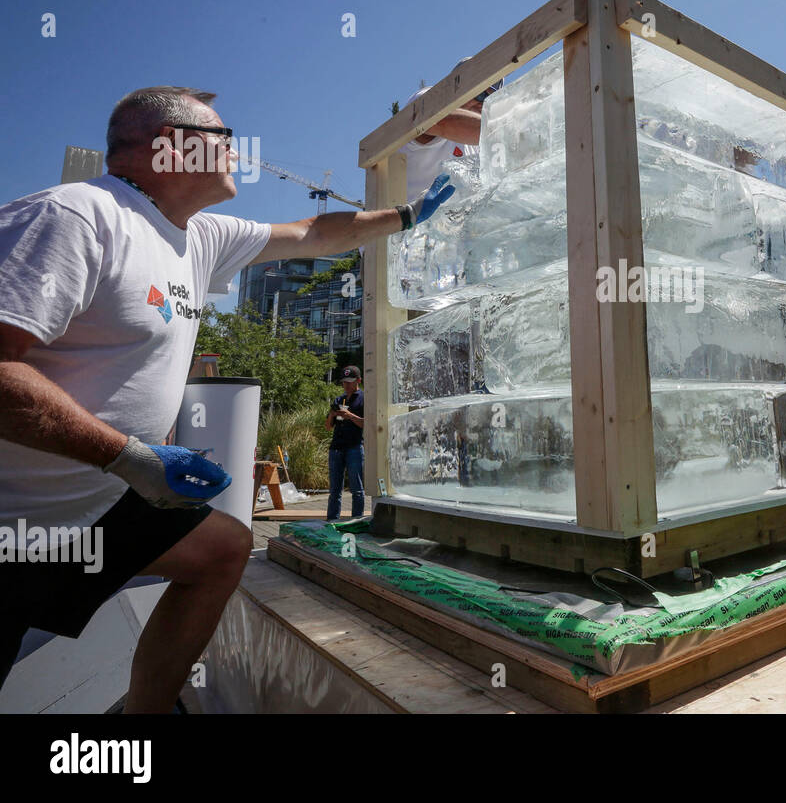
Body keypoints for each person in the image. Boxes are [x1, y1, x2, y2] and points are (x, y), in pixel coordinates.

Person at [0, 86, 455, 710]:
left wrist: (404, 217)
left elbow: (312, 230)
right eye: (224, 139)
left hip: (98, 506)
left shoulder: (201, 235)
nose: (238, 153)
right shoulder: (77, 217)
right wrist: (130, 456)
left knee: (221, 548)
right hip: (14, 520)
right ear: (174, 148)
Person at [399, 56, 500, 200]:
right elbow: (438, 119)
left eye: (490, 99)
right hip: (410, 220)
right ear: (455, 87)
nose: (483, 104)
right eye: (480, 94)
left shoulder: (478, 145)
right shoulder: (426, 99)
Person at [326, 365, 365, 520]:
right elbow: (328, 427)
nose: (346, 385)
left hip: (354, 447)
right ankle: (332, 521)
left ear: (358, 381)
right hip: (336, 448)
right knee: (335, 490)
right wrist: (332, 414)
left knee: (357, 489)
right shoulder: (339, 399)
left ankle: (357, 521)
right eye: (344, 382)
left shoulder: (364, 398)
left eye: (350, 382)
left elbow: (367, 424)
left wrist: (350, 416)